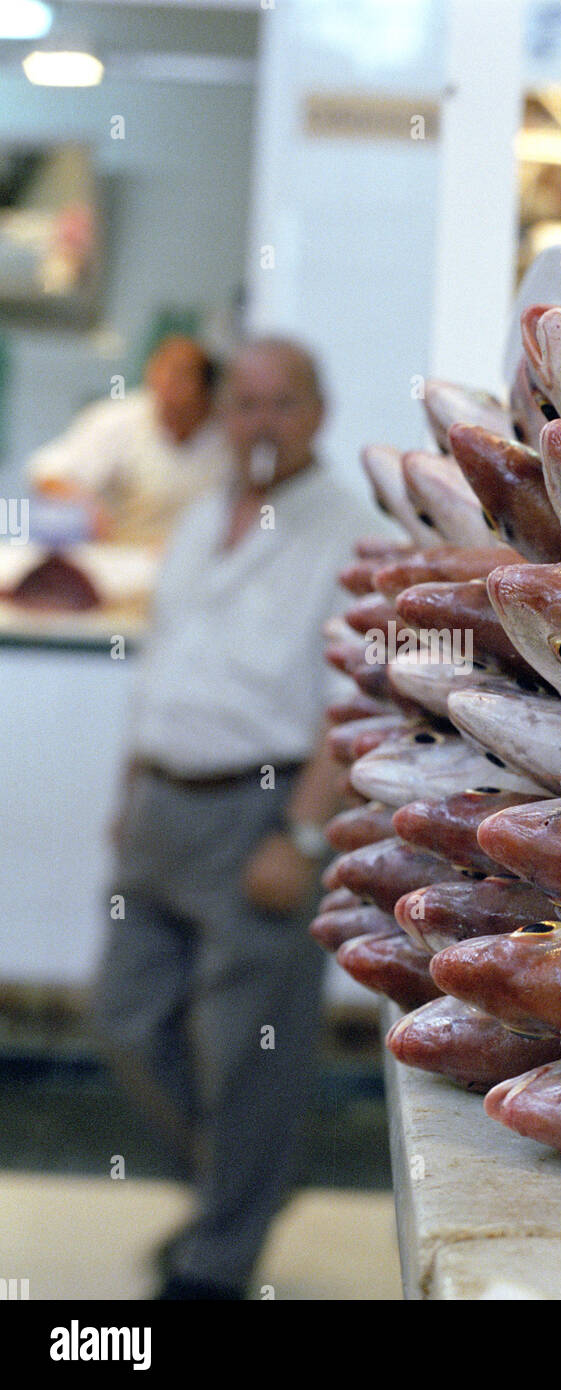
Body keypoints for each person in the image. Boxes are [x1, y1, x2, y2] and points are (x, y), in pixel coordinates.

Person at [91, 337, 375, 1300]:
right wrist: (128, 792)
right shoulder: (203, 509)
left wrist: (300, 837)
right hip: (162, 805)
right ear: (222, 416)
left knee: (248, 1047)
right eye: (243, 404)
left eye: (280, 404)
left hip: (261, 811)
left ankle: (220, 1260)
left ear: (318, 413)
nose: (259, 422)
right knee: (127, 1018)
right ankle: (240, 1188)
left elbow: (353, 705)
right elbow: (164, 659)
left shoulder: (350, 533)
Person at [27, 335, 231, 544]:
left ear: (207, 390)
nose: (165, 383)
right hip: (121, 560)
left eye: (181, 375)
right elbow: (48, 475)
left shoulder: (231, 435)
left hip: (200, 564)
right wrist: (86, 507)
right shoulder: (117, 420)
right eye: (160, 370)